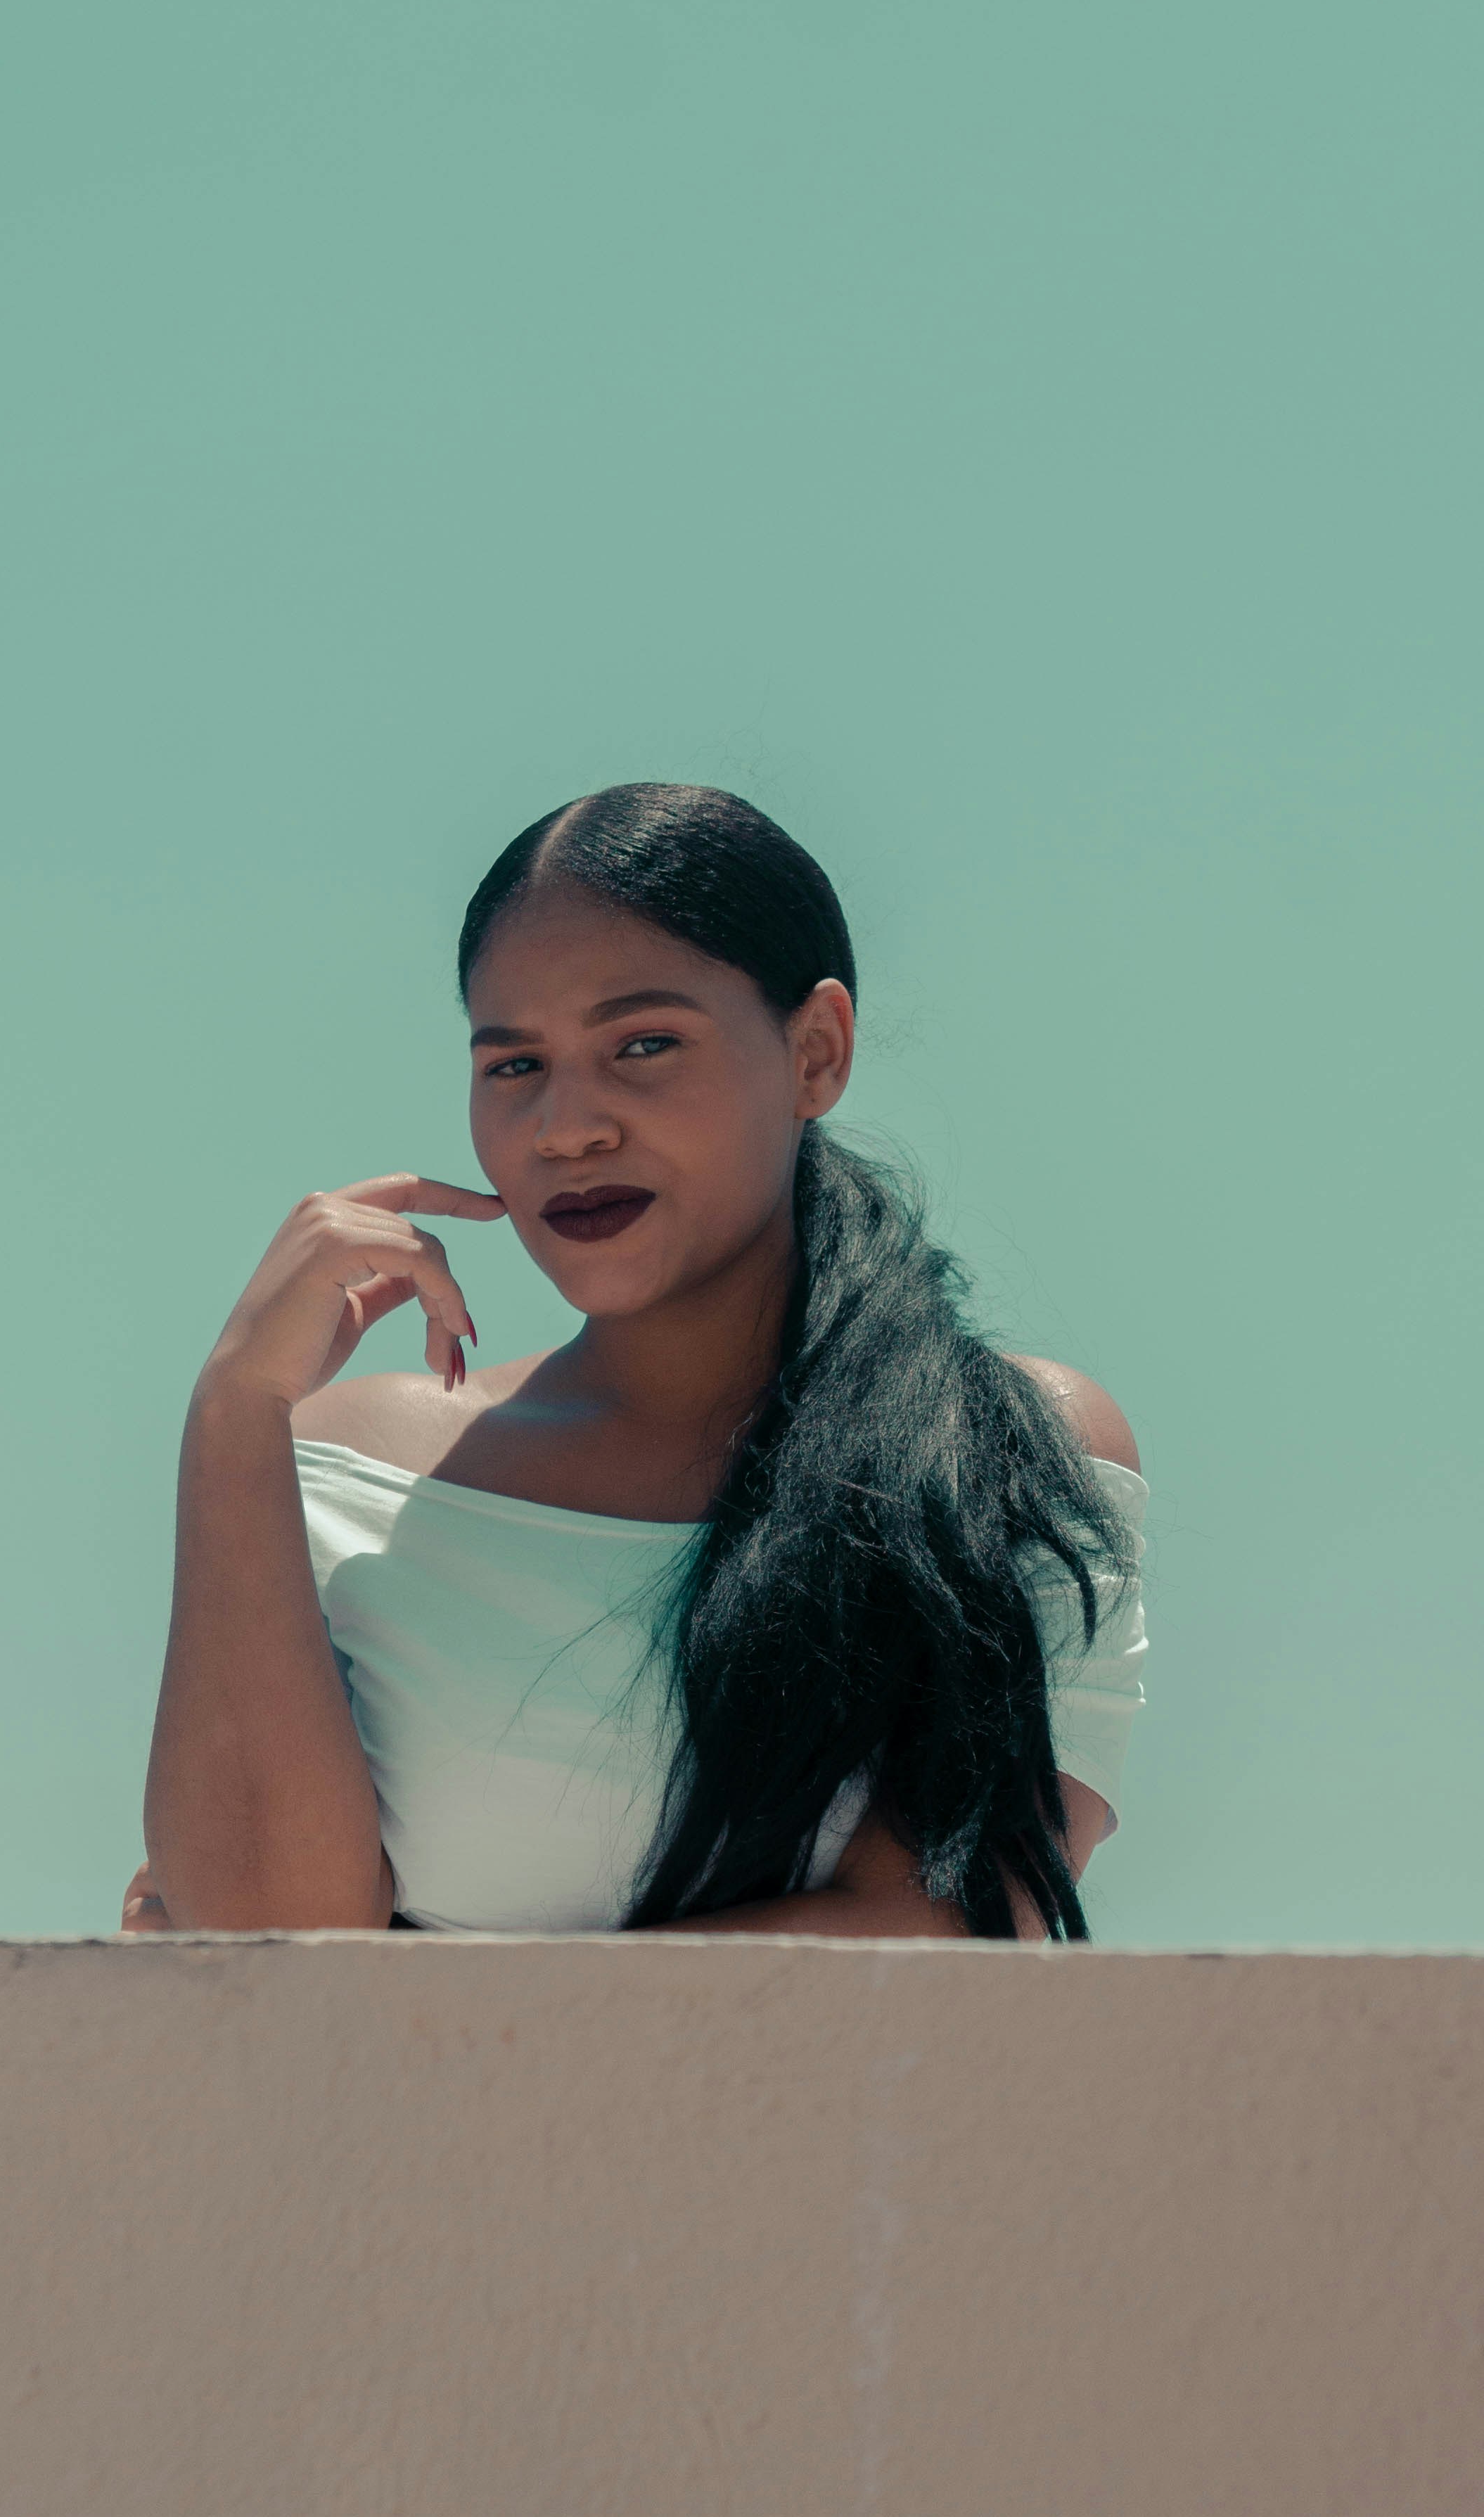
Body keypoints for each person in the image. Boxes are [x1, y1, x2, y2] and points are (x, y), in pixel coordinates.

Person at [122, 784, 1146, 1944]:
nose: (567, 1127)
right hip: (393, 2133)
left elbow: (935, 1935)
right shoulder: (348, 1469)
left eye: (644, 1046)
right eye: (514, 1067)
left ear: (816, 1053)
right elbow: (267, 1948)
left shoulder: (1000, 1449)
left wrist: (420, 1982)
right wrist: (234, 1411)